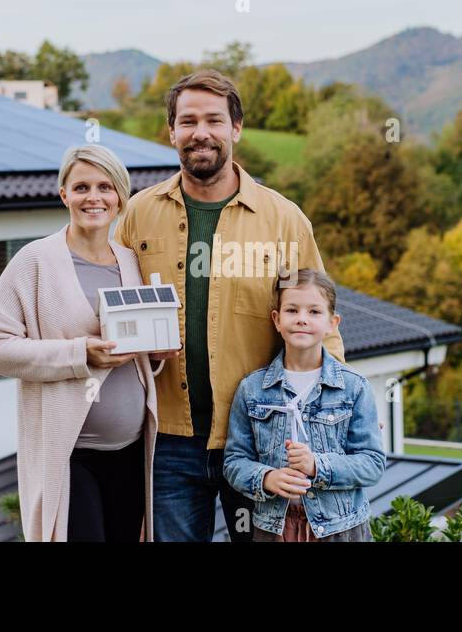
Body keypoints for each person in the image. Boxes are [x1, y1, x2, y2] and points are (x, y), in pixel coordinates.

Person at [114, 70, 345, 541]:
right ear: (171, 131)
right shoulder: (139, 213)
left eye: (214, 120)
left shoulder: (283, 219)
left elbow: (319, 321)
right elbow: (113, 306)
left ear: (236, 128)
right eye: (189, 121)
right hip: (169, 442)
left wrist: (333, 425)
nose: (201, 133)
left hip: (263, 440)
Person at [0, 144, 176, 541]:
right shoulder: (34, 262)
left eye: (105, 187)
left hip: (132, 450)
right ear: (64, 194)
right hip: (71, 454)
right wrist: (78, 354)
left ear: (120, 197)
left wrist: (153, 354)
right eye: (81, 187)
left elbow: (130, 348)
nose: (94, 197)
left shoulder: (131, 262)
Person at [224, 269, 384, 541]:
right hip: (274, 528)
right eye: (292, 310)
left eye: (314, 312)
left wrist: (316, 465)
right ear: (276, 320)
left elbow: (372, 463)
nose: (301, 319)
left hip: (340, 528)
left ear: (332, 323)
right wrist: (266, 478)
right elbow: (234, 461)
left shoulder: (354, 387)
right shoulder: (251, 389)